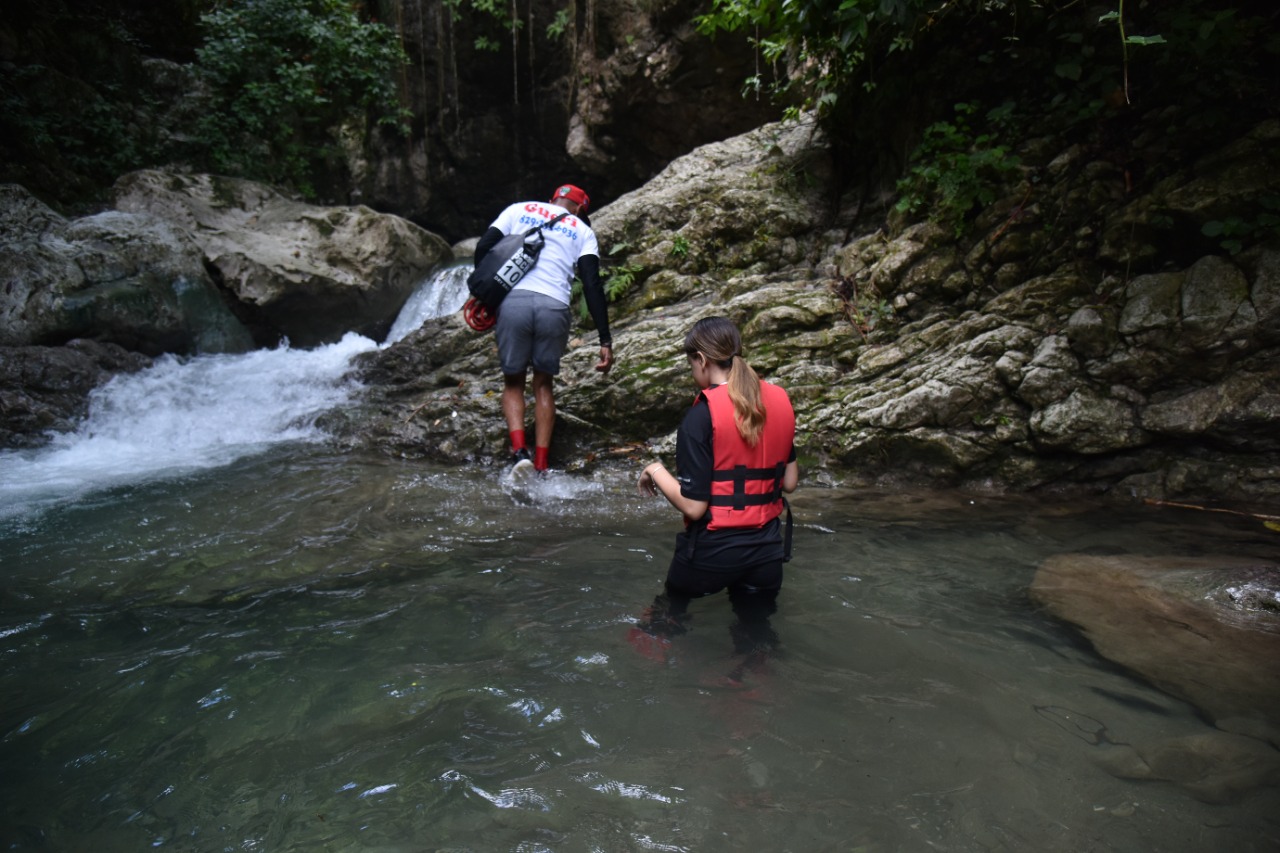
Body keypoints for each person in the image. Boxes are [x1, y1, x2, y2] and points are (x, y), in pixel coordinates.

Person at [634, 316, 799, 663]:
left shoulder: (702, 416)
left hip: (711, 555)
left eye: (690, 363)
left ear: (702, 360)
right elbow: (789, 482)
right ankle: (750, 688)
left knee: (660, 622)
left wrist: (654, 469)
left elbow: (694, 507)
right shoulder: (780, 400)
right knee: (756, 638)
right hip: (767, 553)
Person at [473, 184, 614, 472]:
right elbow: (591, 284)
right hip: (554, 307)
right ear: (579, 210)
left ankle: (519, 454)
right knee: (543, 384)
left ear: (553, 200)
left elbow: (483, 248)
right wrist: (605, 339)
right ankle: (541, 464)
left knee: (513, 382)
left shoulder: (518, 209)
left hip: (514, 302)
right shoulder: (582, 230)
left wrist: (488, 293)